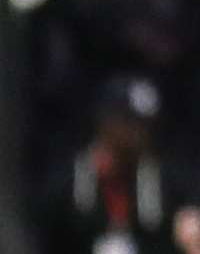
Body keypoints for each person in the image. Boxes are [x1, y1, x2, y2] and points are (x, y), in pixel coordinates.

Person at [46, 77, 172, 254]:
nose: (138, 134)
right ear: (105, 121)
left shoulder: (162, 185)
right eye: (129, 123)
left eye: (146, 126)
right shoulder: (65, 183)